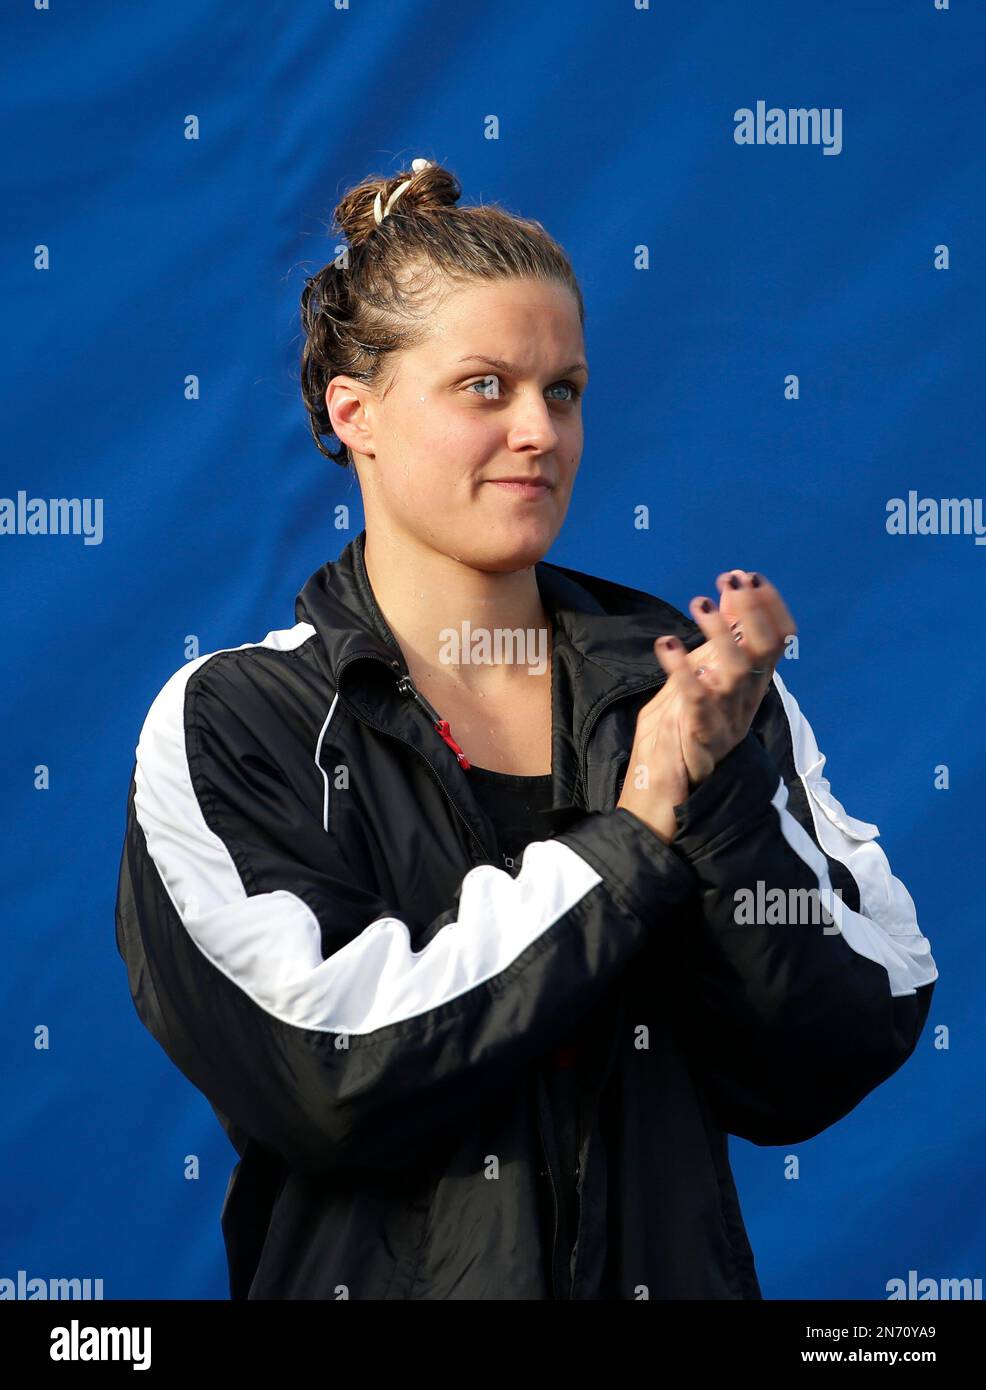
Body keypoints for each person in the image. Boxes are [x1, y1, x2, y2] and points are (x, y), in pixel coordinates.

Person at [114, 158, 938, 1301]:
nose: (537, 430)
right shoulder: (239, 719)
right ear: (355, 412)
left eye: (564, 389)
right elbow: (328, 1072)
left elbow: (844, 1034)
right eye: (484, 386)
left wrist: (718, 801)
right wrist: (634, 831)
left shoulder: (690, 690)